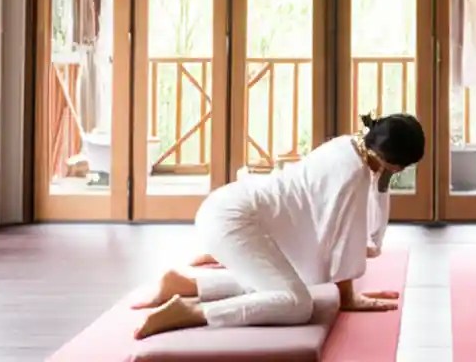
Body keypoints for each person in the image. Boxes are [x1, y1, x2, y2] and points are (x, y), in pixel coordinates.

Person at [131, 113, 425, 339]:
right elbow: (341, 240)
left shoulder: (350, 145)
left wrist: (383, 179)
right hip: (234, 221)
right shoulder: (352, 175)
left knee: (288, 281)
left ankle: (185, 285)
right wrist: (348, 299)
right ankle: (192, 312)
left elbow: (357, 227)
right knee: (297, 304)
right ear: (395, 163)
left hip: (228, 208)